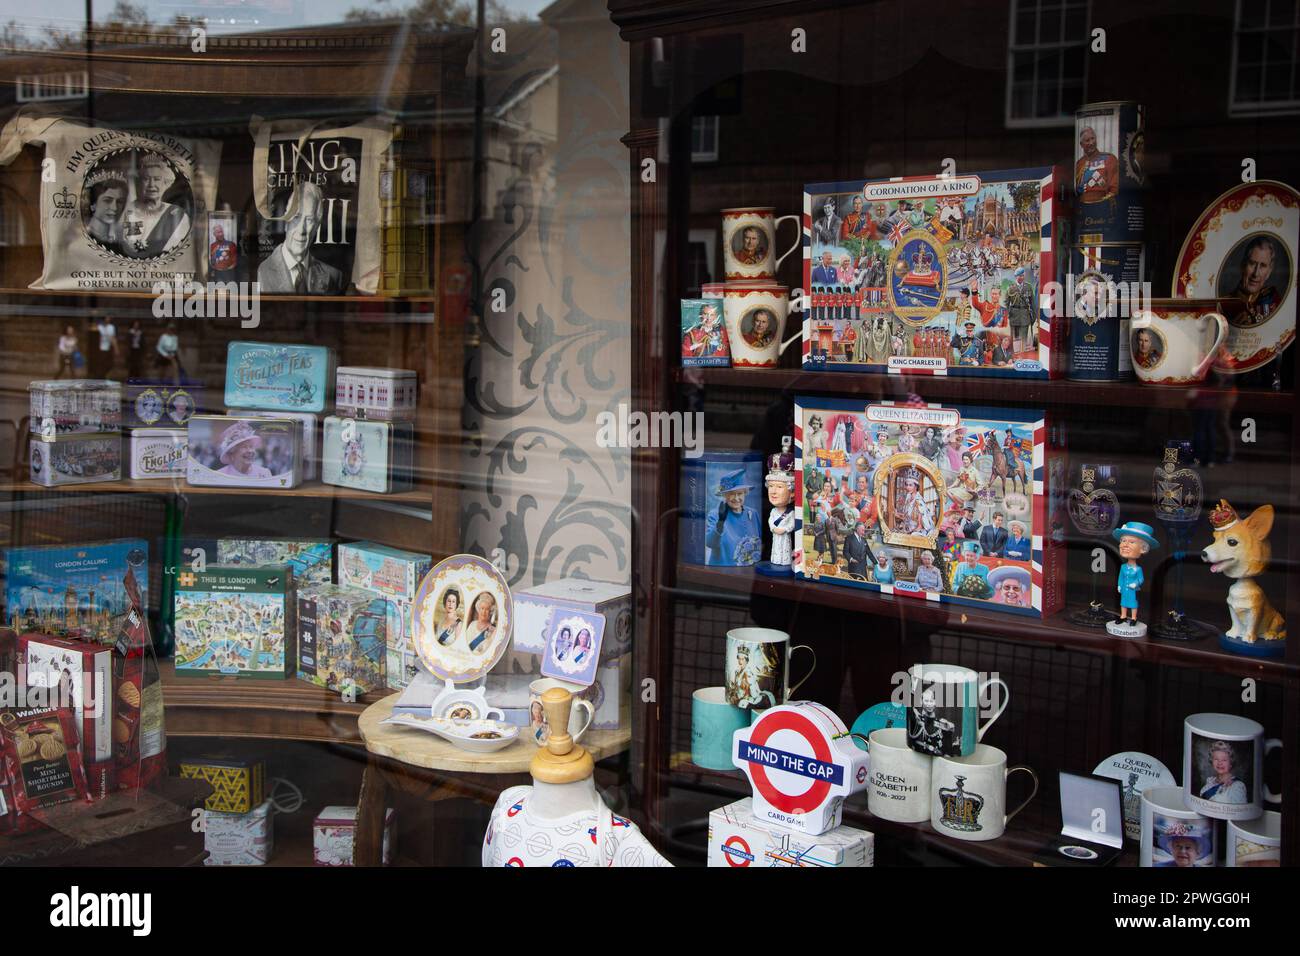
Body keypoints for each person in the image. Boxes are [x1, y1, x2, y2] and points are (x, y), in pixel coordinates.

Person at [258, 181, 345, 294]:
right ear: (286, 222)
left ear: (316, 227)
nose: (301, 230)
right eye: (296, 218)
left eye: (309, 220)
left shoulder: (334, 277)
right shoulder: (260, 272)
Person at [120, 152, 190, 258]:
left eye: (157, 179)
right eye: (146, 179)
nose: (151, 185)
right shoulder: (124, 210)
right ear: (139, 182)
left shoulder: (177, 215)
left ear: (165, 183)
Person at [1226, 235, 1282, 326]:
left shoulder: (1274, 300)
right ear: (1243, 265)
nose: (1256, 274)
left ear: (1269, 272)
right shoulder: (1225, 305)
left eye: (1263, 266)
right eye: (1252, 263)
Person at [1074, 125, 1118, 204]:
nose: (1091, 143)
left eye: (1093, 138)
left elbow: (1114, 189)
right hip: (1082, 209)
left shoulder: (1109, 159)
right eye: (1087, 140)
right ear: (1081, 144)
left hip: (1102, 206)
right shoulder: (1080, 163)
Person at [85, 176, 128, 252]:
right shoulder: (84, 239)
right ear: (93, 205)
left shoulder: (119, 243)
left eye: (119, 202)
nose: (114, 208)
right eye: (107, 201)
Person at [1199, 740, 1248, 805]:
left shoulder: (1237, 786)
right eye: (1216, 759)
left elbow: (1239, 813)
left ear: (1230, 763)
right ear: (1212, 761)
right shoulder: (1210, 782)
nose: (1220, 763)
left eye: (1224, 760)